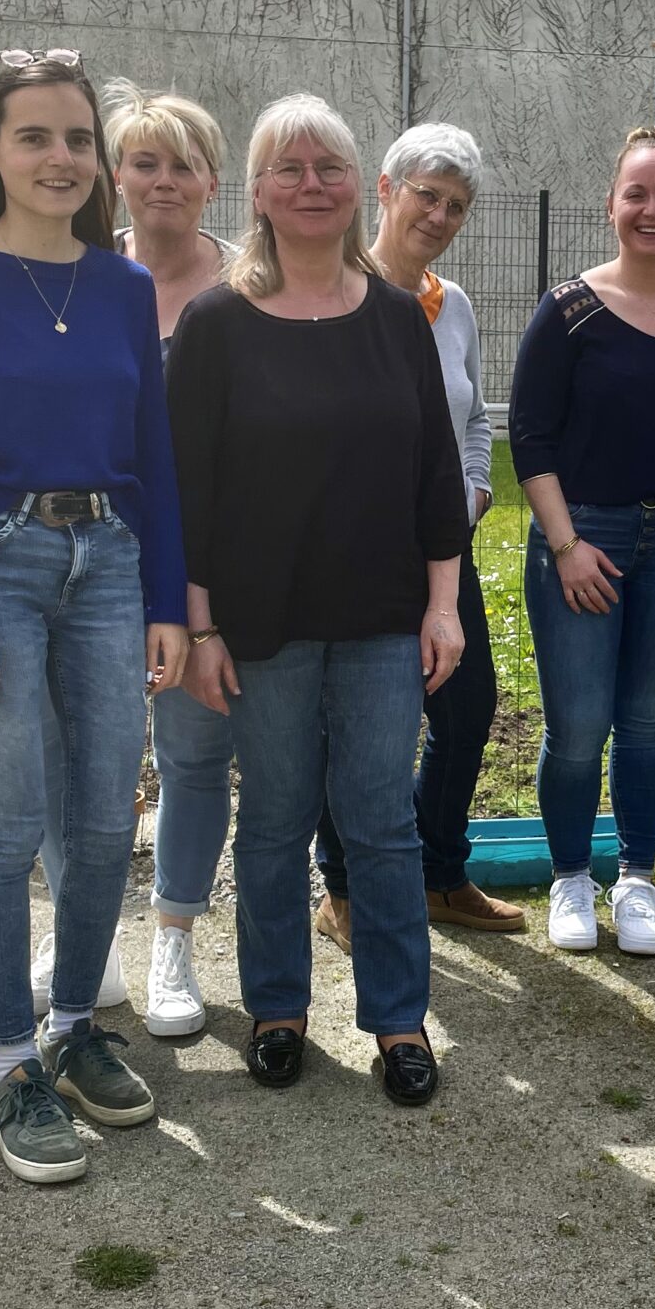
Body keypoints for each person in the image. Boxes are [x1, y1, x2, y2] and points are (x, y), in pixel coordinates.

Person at [0, 48, 190, 1185]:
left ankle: (73, 1027)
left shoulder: (117, 286)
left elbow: (153, 457)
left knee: (107, 817)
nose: (60, 159)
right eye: (35, 137)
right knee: (9, 824)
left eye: (77, 140)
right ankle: (11, 1059)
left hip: (110, 563)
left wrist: (167, 598)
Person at [167, 94, 467, 1108]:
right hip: (261, 625)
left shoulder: (395, 315)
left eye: (329, 166)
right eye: (287, 168)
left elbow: (435, 474)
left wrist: (442, 607)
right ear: (255, 191)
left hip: (385, 618)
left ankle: (397, 1019)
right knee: (275, 821)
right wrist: (200, 625)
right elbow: (188, 495)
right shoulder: (215, 324)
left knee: (381, 823)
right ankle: (278, 1009)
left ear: (357, 186)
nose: (310, 184)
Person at [508, 126, 655, 959]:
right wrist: (567, 545)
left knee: (646, 720)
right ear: (612, 207)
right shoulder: (569, 310)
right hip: (585, 539)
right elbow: (530, 440)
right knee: (578, 725)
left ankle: (637, 878)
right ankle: (573, 876)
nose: (653, 209)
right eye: (637, 194)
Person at [31, 83, 234, 1040]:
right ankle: (87, 938)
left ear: (211, 181)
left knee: (194, 755)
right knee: (78, 756)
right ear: (118, 177)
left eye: (182, 163)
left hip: (206, 562)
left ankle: (174, 939)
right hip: (91, 554)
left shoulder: (245, 290)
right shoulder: (75, 277)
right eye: (145, 163)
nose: (163, 181)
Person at [311, 123, 522, 953]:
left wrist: (471, 491)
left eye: (456, 206)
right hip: (350, 552)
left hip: (443, 548)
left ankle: (439, 873)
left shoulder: (453, 305)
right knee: (349, 720)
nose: (438, 215)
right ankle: (344, 890)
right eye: (426, 195)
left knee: (466, 708)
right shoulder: (332, 291)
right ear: (387, 192)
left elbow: (475, 421)